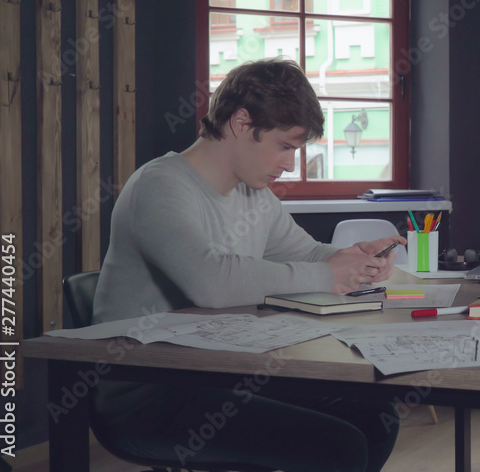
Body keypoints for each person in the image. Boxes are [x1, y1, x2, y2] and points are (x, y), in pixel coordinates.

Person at [92, 58, 405, 472]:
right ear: (241, 123)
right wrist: (329, 273)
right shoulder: (159, 185)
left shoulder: (253, 195)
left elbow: (307, 253)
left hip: (222, 372)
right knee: (338, 447)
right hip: (151, 393)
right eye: (285, 146)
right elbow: (212, 282)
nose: (290, 164)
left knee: (376, 417)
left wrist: (355, 259)